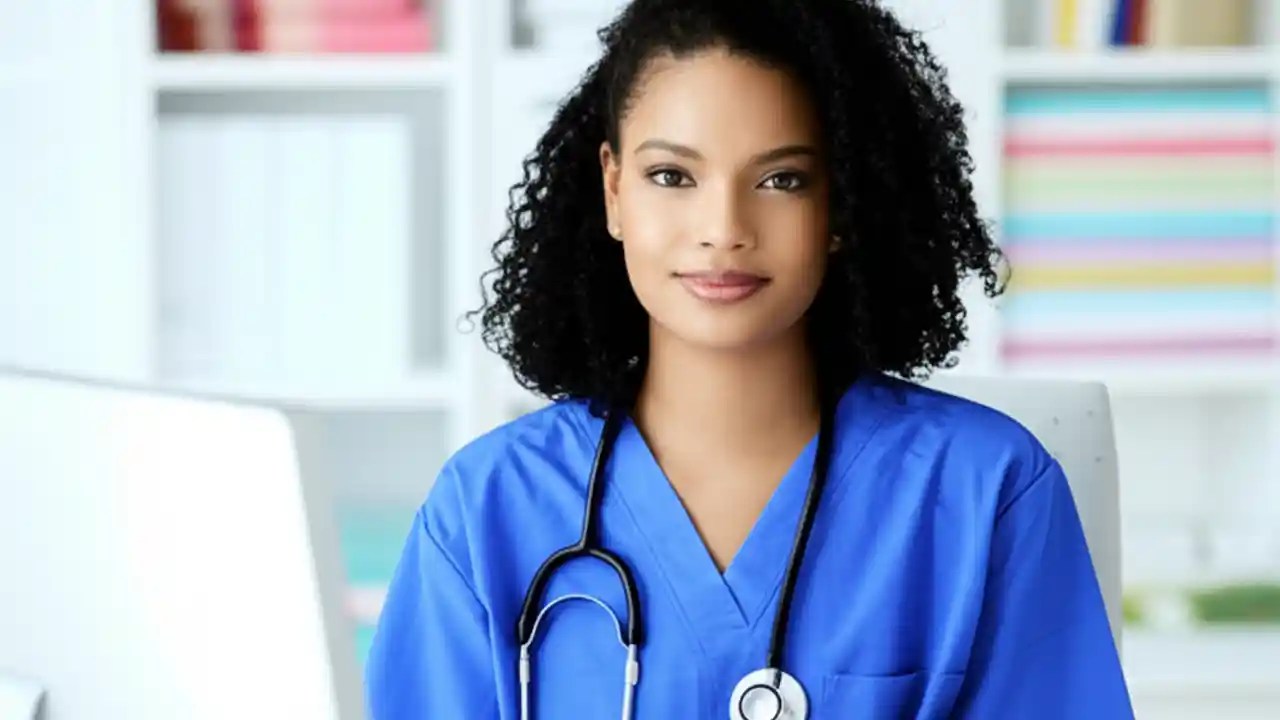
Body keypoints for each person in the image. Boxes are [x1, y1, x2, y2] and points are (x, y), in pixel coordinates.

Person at [365, 0, 1135, 717]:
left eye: (781, 180)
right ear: (613, 192)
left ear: (840, 206)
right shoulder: (486, 507)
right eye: (672, 176)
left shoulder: (986, 492)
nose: (723, 227)